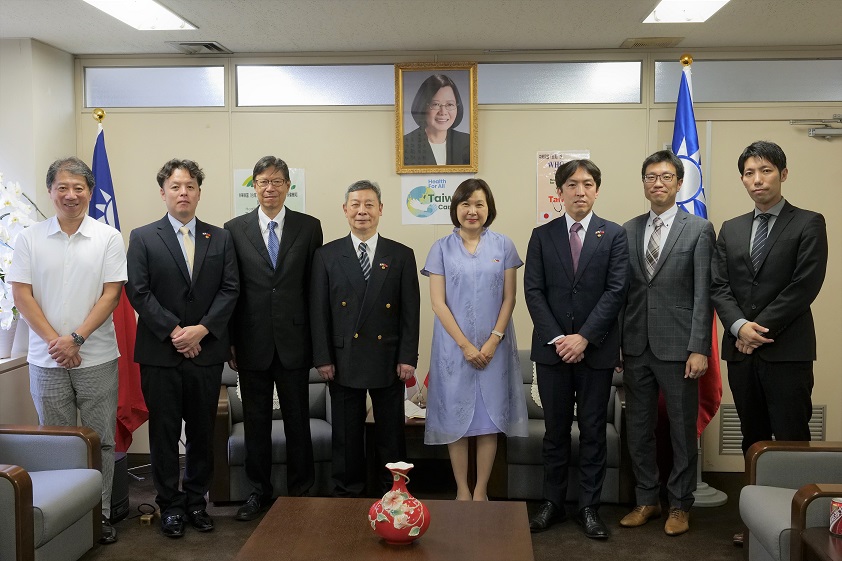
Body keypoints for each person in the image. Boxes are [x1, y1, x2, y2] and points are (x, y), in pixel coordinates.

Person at [8, 157, 127, 545]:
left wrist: (75, 339)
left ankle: (99, 515)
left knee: (100, 440)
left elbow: (111, 295)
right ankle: (63, 518)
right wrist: (55, 343)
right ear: (50, 191)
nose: (71, 195)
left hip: (97, 357)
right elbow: (21, 295)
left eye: (79, 188)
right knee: (56, 443)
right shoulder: (29, 238)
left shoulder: (108, 237)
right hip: (46, 361)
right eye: (62, 187)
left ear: (90, 192)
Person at [126, 159, 239, 538]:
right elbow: (138, 291)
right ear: (163, 193)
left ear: (199, 193)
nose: (183, 193)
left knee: (202, 432)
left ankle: (195, 502)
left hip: (206, 353)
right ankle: (170, 506)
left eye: (190, 186)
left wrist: (201, 331)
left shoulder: (220, 238)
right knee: (164, 432)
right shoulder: (143, 237)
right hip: (160, 353)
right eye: (175, 187)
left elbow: (230, 290)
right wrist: (176, 332)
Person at [524, 159, 629, 539]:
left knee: (593, 431)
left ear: (597, 190)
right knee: (554, 432)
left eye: (587, 184)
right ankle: (551, 503)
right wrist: (559, 339)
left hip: (596, 351)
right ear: (560, 192)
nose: (580, 191)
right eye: (572, 184)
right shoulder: (542, 235)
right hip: (552, 352)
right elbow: (533, 291)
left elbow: (616, 291)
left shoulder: (614, 235)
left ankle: (588, 507)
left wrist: (584, 337)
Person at [618, 150, 716, 536]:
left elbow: (703, 294)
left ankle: (679, 504)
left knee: (681, 430)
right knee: (638, 428)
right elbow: (623, 293)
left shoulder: (699, 229)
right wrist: (618, 345)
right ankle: (647, 500)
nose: (658, 183)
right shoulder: (627, 230)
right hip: (636, 346)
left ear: (679, 182)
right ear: (643, 183)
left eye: (666, 177)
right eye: (651, 177)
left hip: (679, 348)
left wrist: (699, 347)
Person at [711, 141, 827, 455]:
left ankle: (797, 491)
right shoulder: (730, 229)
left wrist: (756, 330)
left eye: (766, 170)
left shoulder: (808, 222)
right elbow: (718, 286)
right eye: (749, 173)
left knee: (792, 437)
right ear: (742, 179)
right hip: (741, 354)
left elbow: (805, 285)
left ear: (783, 174)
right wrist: (739, 327)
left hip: (787, 351)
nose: (758, 179)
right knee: (752, 439)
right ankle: (753, 490)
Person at [225, 156, 323, 520]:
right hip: (251, 342)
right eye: (263, 182)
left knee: (298, 421)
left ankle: (302, 491)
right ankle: (257, 492)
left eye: (277, 181)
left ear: (287, 187)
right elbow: (231, 290)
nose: (270, 188)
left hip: (295, 341)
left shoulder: (309, 227)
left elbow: (315, 289)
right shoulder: (234, 229)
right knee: (256, 423)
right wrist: (231, 341)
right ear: (254, 186)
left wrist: (318, 343)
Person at [310, 180, 420, 497]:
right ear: (345, 210)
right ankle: (347, 493)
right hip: (343, 358)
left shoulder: (401, 255)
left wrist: (407, 357)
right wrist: (323, 357)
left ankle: (395, 491)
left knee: (391, 434)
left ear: (380, 209)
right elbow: (319, 311)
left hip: (388, 358)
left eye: (369, 204)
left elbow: (410, 311)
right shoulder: (327, 255)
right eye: (355, 204)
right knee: (346, 435)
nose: (362, 211)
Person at [422, 178, 528, 501]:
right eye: (465, 204)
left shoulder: (503, 245)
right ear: (455, 208)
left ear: (488, 208)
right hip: (454, 350)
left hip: (495, 348)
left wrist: (494, 340)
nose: (472, 210)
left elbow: (509, 298)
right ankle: (462, 491)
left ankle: (481, 492)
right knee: (456, 419)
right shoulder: (440, 248)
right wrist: (466, 346)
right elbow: (438, 303)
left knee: (488, 420)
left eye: (479, 204)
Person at [403, 74, 471, 166]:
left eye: (450, 104)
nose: (443, 112)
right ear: (423, 107)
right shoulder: (406, 144)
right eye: (435, 104)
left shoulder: (468, 142)